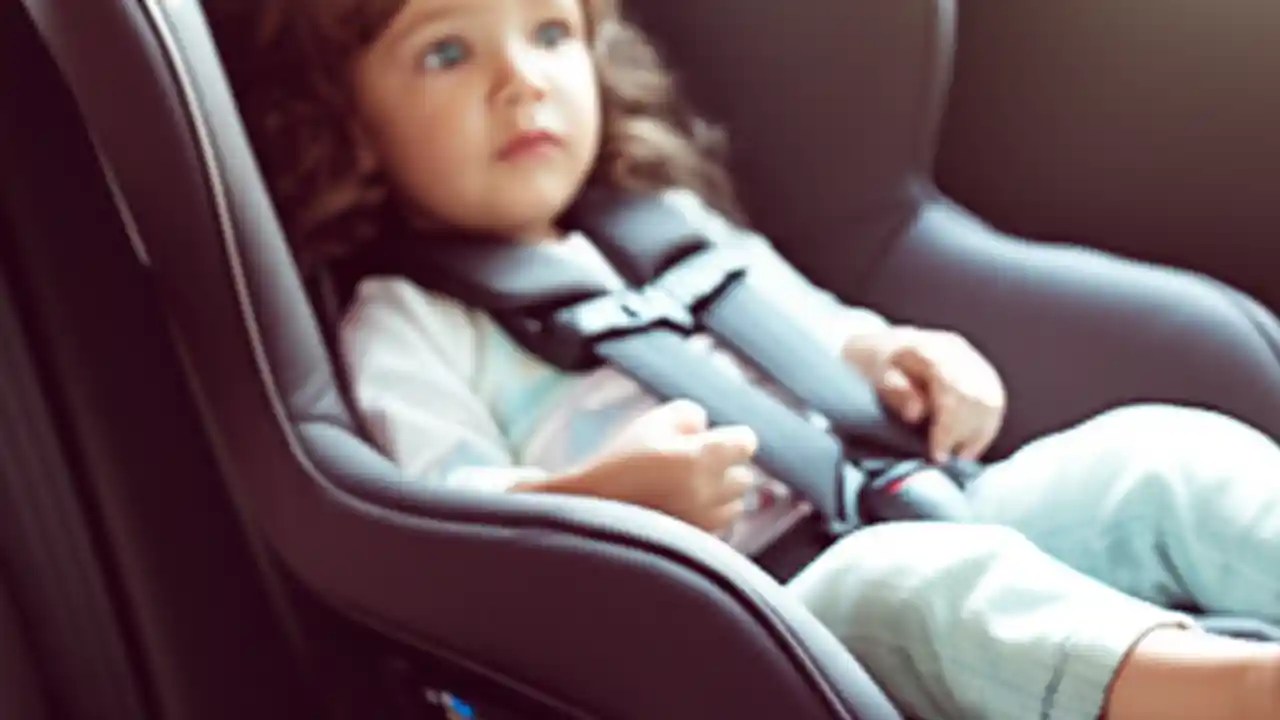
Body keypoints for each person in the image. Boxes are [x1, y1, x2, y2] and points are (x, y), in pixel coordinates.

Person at [216, 0, 1280, 717]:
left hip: (924, 496)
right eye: (447, 52)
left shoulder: (675, 230)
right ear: (345, 122)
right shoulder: (409, 321)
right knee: (908, 588)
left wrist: (911, 357)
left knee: (1153, 453)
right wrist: (599, 501)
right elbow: (442, 521)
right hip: (761, 618)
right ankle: (1231, 694)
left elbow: (831, 336)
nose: (519, 82)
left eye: (547, 31)